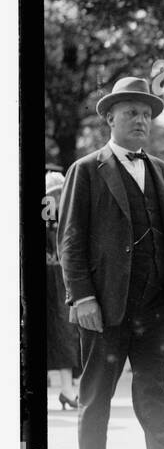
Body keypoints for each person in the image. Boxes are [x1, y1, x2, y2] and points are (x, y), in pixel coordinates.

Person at [57, 76, 164, 449]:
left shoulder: (158, 170)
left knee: (155, 390)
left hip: (155, 304)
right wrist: (81, 297)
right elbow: (70, 240)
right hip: (103, 304)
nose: (140, 120)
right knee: (97, 390)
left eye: (146, 114)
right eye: (130, 113)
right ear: (110, 119)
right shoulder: (86, 170)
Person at [44, 168, 81, 409]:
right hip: (51, 281)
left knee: (66, 334)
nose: (58, 198)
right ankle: (67, 390)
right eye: (54, 194)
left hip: (61, 281)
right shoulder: (49, 219)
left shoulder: (66, 218)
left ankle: (68, 388)